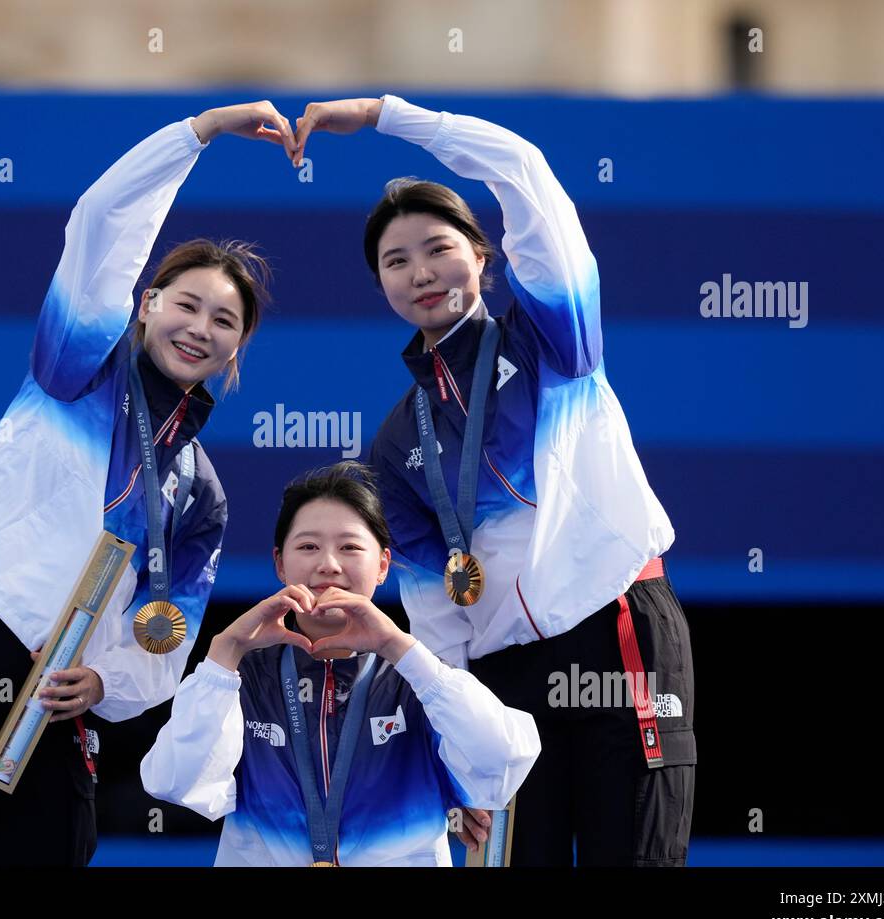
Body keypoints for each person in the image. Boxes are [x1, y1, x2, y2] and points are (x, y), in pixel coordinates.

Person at [0, 101, 300, 866]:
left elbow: (170, 623)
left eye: (225, 321)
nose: (201, 327)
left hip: (61, 682)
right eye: (186, 303)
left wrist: (106, 684)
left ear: (236, 349)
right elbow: (100, 219)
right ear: (145, 305)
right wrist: (202, 131)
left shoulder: (201, 492)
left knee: (54, 855)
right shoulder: (79, 365)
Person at [288, 95, 696, 866]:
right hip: (501, 685)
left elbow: (523, 171)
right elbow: (436, 617)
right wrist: (458, 748)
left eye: (437, 249)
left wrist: (385, 114)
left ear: (483, 255)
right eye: (395, 262)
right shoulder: (398, 441)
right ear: (380, 285)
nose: (420, 274)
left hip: (616, 637)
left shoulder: (553, 340)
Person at [140, 462, 541, 866]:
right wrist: (222, 654)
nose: (329, 564)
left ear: (383, 564)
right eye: (308, 546)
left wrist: (399, 648)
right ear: (280, 564)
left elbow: (503, 759)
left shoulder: (421, 677)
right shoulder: (241, 680)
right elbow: (176, 782)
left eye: (350, 547)